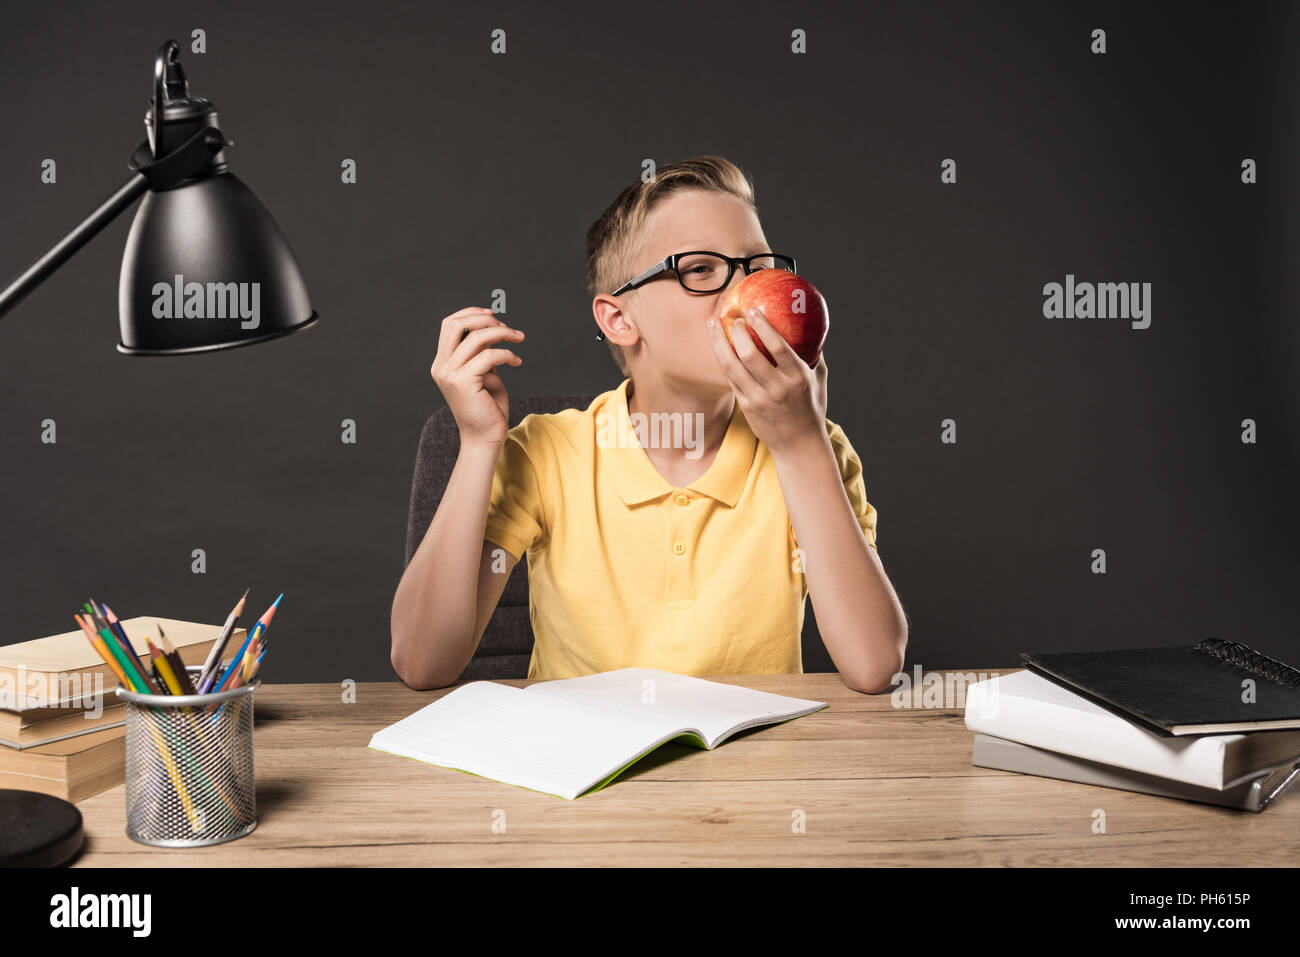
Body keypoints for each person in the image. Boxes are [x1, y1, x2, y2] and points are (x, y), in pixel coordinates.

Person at [391, 155, 907, 691]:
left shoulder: (813, 449)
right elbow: (423, 662)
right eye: (702, 269)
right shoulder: (548, 455)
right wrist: (478, 445)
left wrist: (802, 444)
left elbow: (873, 666)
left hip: (754, 768)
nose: (746, 294)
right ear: (619, 319)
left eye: (759, 268)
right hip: (585, 765)